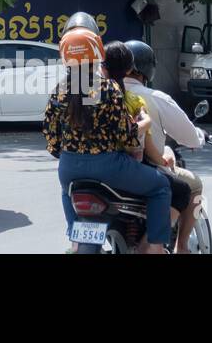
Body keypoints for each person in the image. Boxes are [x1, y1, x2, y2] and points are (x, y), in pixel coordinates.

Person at [43, 26, 171, 254]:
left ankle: (76, 240)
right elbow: (127, 136)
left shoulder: (58, 91)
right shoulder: (107, 88)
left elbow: (52, 141)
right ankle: (155, 247)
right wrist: (146, 123)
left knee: (67, 191)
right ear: (96, 54)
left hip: (70, 168)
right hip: (109, 167)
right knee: (161, 186)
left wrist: (72, 157)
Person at [106, 41, 197, 253]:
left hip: (82, 170)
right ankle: (157, 245)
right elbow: (141, 143)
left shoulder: (91, 95)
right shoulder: (137, 99)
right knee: (179, 188)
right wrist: (161, 157)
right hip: (129, 168)